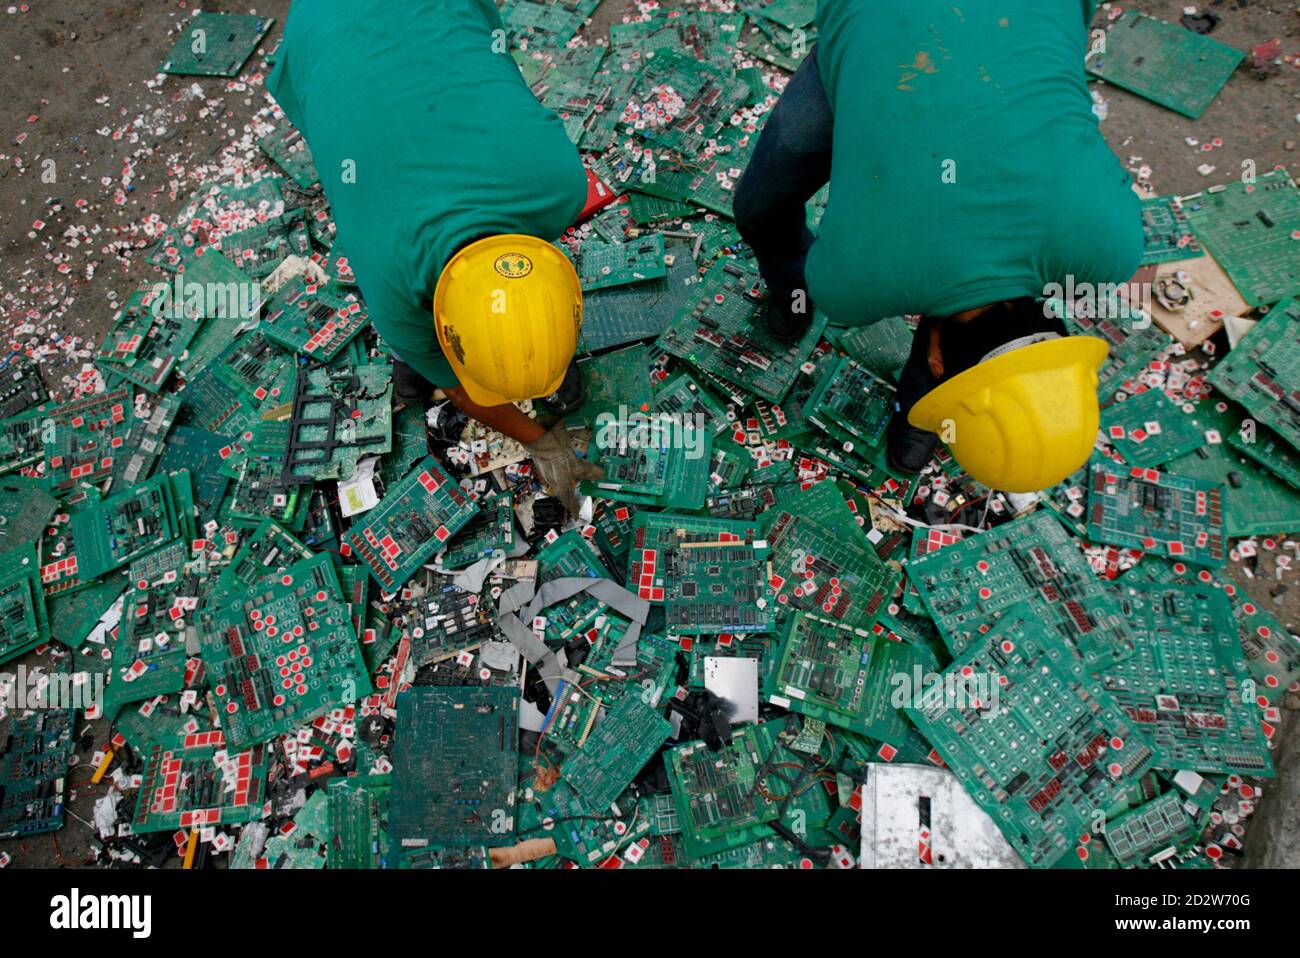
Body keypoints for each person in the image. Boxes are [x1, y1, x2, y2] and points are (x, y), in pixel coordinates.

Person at [733, 0, 1142, 493]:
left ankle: (917, 409)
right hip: (883, 26)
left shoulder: (1115, 245)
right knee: (766, 208)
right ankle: (792, 292)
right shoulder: (851, 284)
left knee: (938, 276)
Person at [267, 0, 601, 513]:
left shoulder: (557, 185)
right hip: (326, 31)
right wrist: (541, 440)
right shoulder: (392, 282)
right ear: (439, 321)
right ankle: (412, 356)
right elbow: (462, 389)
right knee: (347, 142)